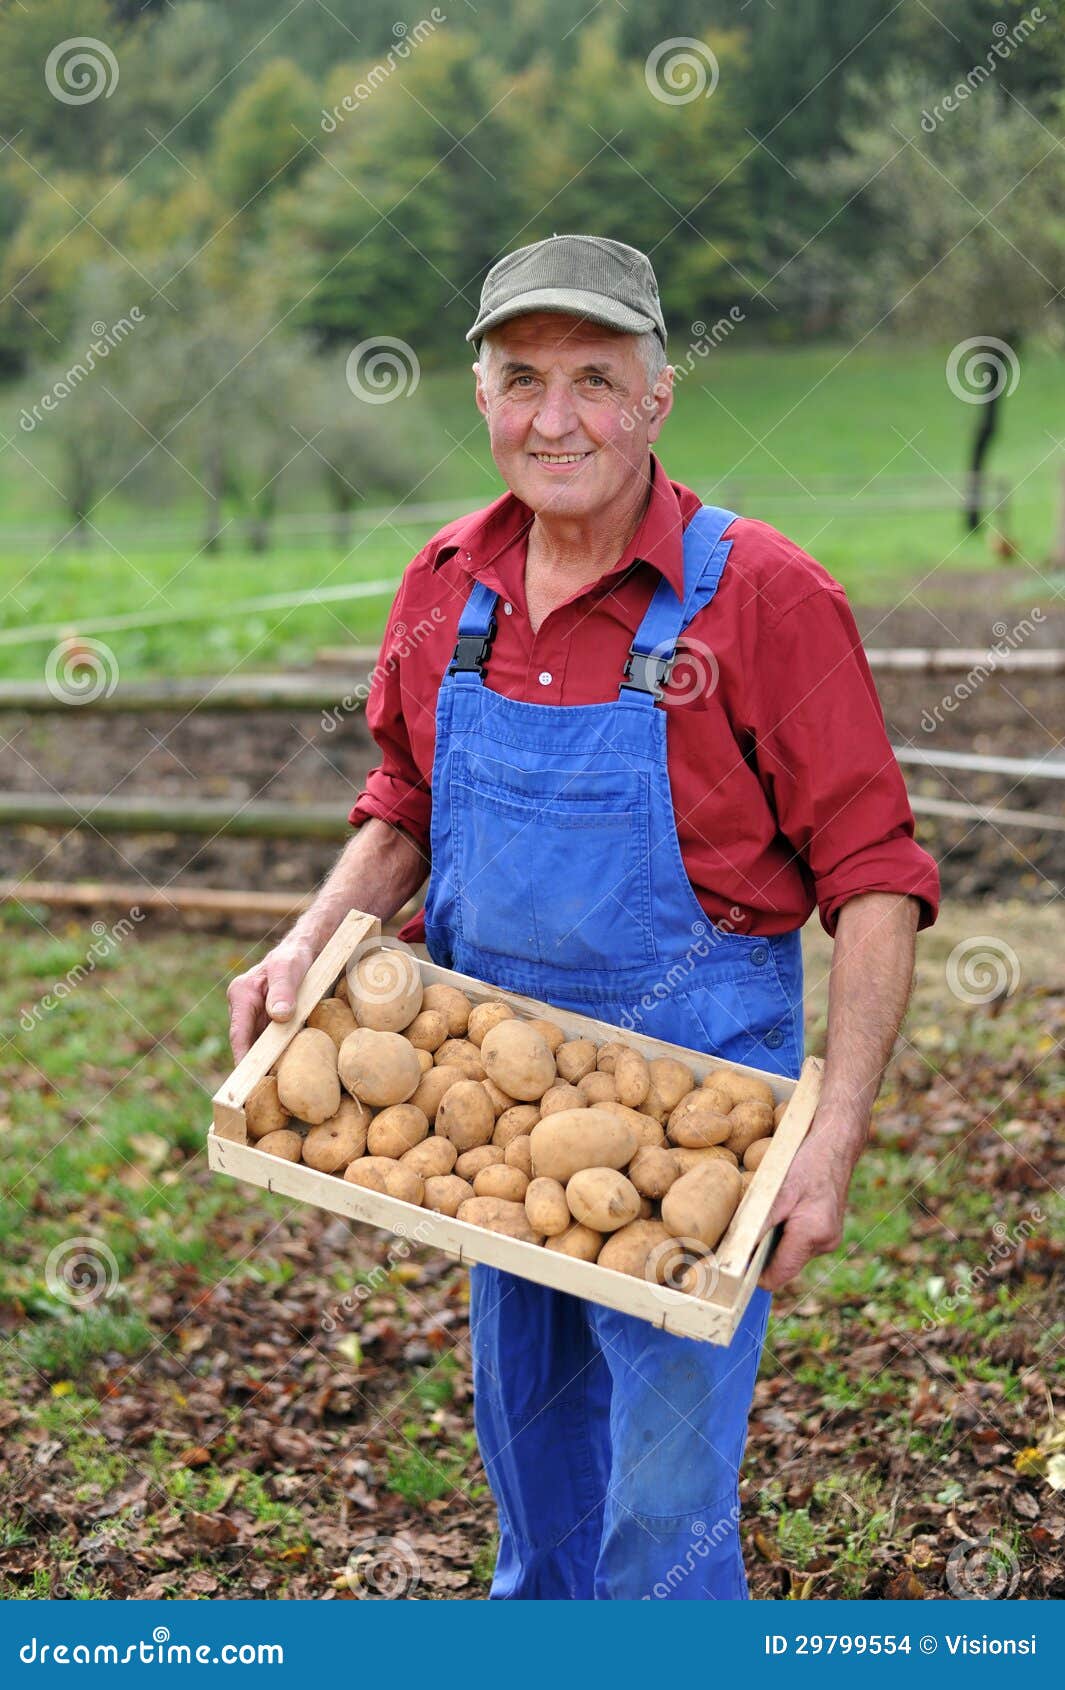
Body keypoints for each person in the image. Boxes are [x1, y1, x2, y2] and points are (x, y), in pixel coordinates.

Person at [228, 235, 940, 1600]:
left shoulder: (763, 597)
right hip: (492, 1105)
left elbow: (872, 874)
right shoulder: (448, 580)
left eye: (596, 380)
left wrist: (830, 1130)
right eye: (522, 379)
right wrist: (310, 938)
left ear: (658, 396)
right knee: (536, 1479)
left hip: (696, 1122)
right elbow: (403, 801)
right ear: (482, 394)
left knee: (661, 1501)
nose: (555, 419)